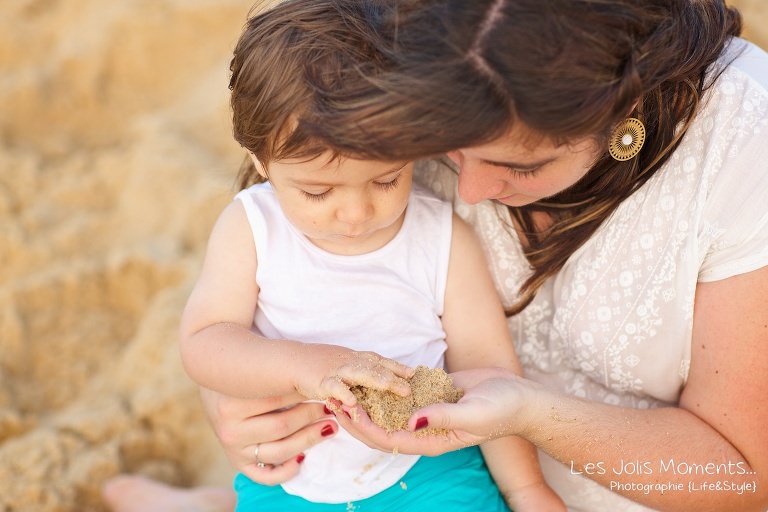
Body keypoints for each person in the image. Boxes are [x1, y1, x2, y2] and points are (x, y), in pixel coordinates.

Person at [104, 0, 768, 511]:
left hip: (491, 478)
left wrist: (531, 420)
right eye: (443, 149)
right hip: (358, 462)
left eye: (520, 164)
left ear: (625, 115)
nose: (468, 193)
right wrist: (234, 409)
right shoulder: (374, 52)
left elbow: (740, 479)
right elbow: (251, 291)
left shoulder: (742, 143)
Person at [151, 0, 565, 510]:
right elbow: (204, 341)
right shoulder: (252, 227)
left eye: (386, 179)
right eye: (318, 192)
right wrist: (309, 366)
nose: (355, 213)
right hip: (295, 473)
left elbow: (492, 374)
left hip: (432, 465)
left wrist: (527, 489)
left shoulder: (442, 238)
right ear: (261, 161)